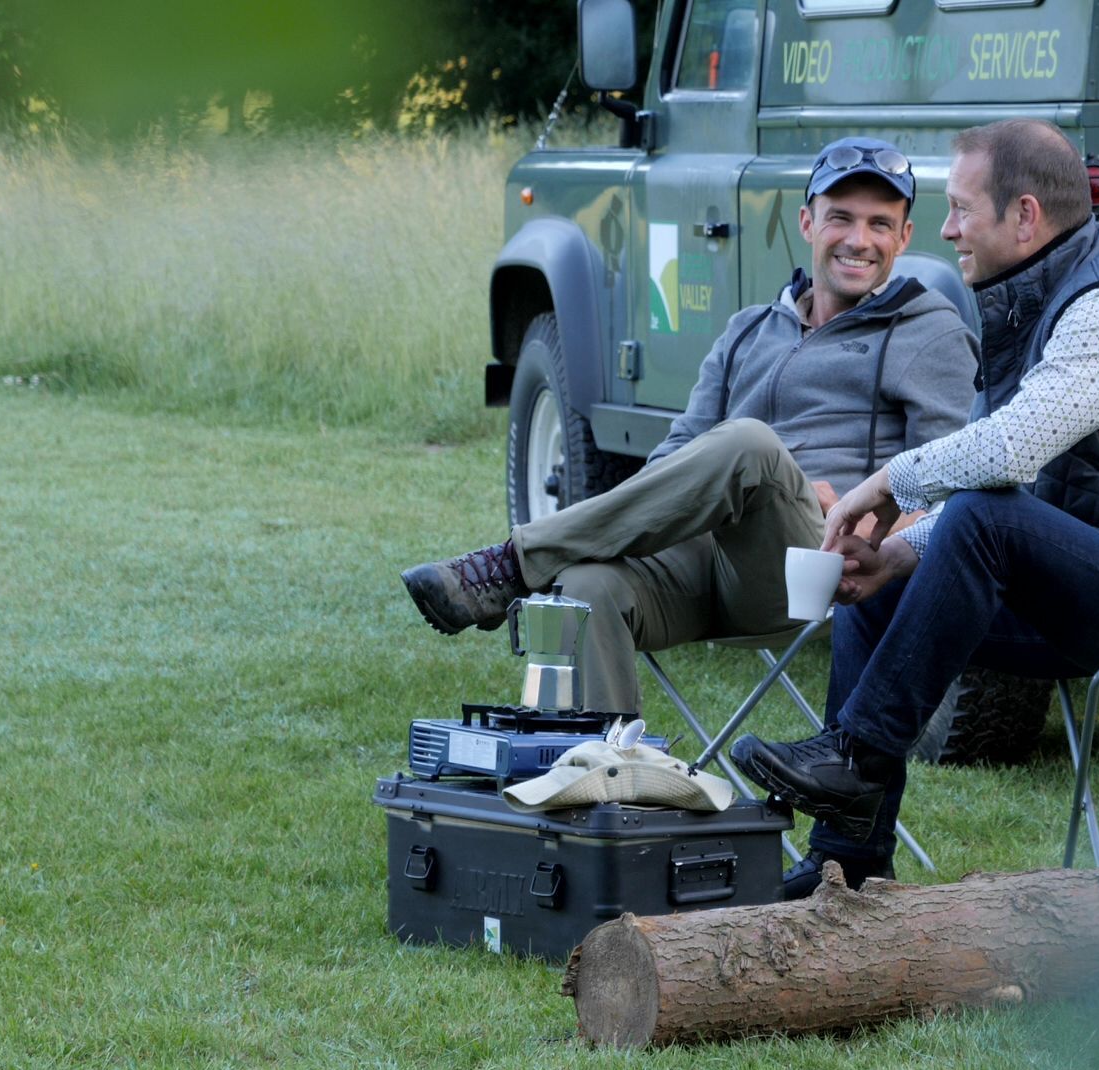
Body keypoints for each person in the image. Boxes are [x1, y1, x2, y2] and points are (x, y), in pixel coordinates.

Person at [731, 119, 1099, 898]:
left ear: (1024, 218)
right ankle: (845, 865)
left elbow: (1010, 456)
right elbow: (1025, 483)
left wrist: (888, 485)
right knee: (878, 584)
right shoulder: (1043, 295)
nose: (948, 227)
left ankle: (854, 760)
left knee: (982, 518)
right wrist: (891, 556)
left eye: (961, 208)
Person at [401, 138, 978, 733]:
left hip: (815, 566)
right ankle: (607, 785)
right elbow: (674, 456)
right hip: (709, 562)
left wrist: (867, 530)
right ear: (807, 222)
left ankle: (511, 564)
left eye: (880, 224)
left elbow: (948, 490)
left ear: (905, 238)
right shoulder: (750, 328)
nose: (860, 240)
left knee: (749, 444)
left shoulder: (930, 333)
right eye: (841, 219)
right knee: (585, 587)